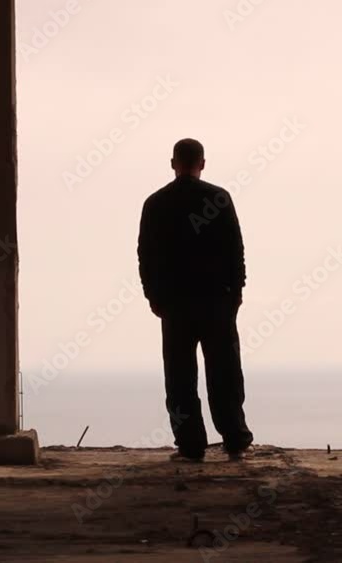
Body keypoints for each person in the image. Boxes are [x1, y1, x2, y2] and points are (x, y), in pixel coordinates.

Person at [137, 138, 254, 462]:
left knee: (179, 376)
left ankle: (190, 445)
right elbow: (235, 250)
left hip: (176, 304)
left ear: (173, 163)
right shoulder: (218, 198)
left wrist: (154, 296)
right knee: (225, 372)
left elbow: (145, 255)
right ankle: (234, 439)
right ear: (202, 163)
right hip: (217, 301)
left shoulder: (156, 203)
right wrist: (236, 293)